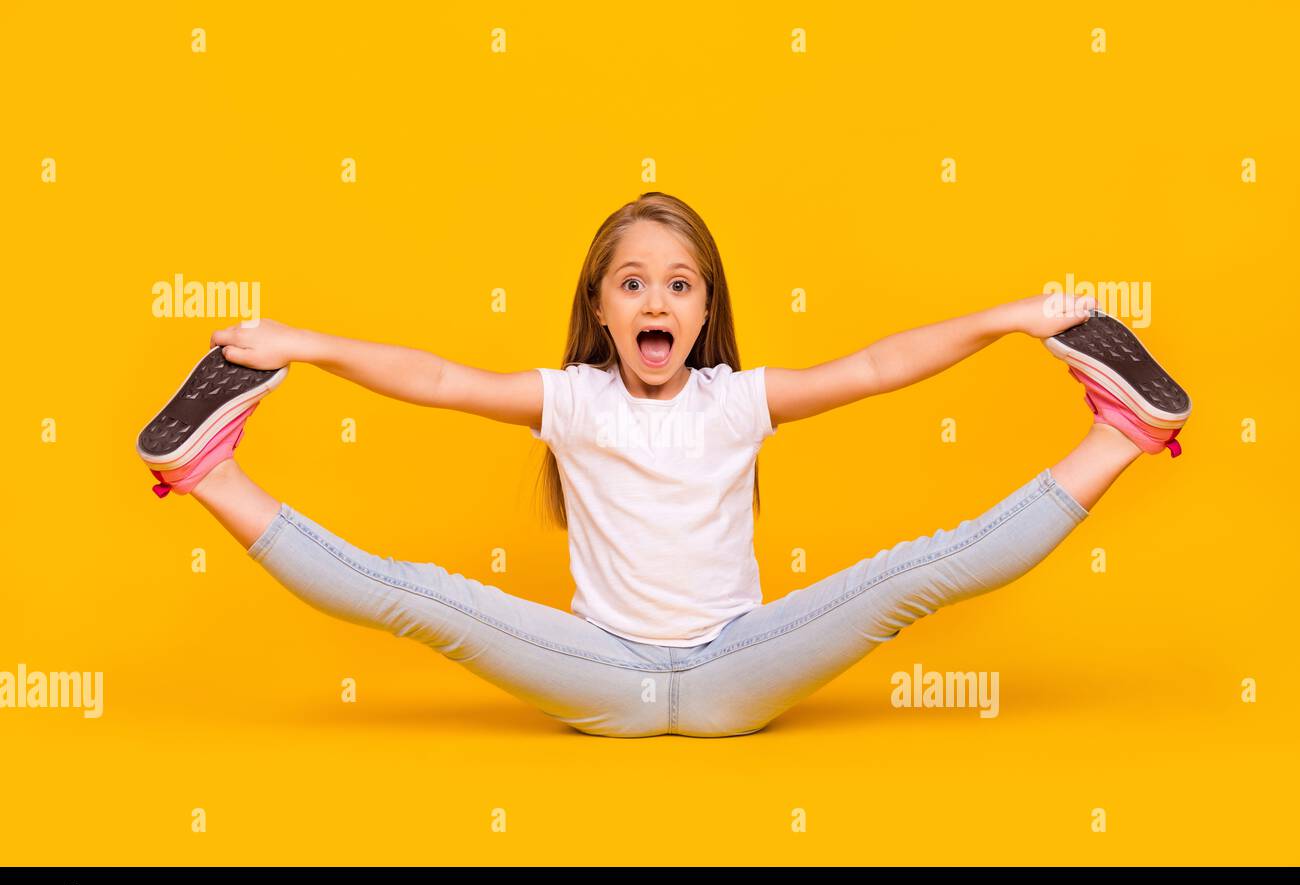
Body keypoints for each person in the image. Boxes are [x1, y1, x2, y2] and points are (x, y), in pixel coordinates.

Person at [135, 192, 1192, 738]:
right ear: (599, 306)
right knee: (425, 597)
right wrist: (305, 345)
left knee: (915, 570)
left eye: (678, 285)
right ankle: (210, 471)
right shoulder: (573, 399)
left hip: (741, 666)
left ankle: (1123, 433)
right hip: (601, 672)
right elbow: (441, 379)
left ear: (703, 310)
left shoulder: (736, 400)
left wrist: (1014, 318)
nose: (655, 301)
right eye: (632, 283)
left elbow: (878, 364)